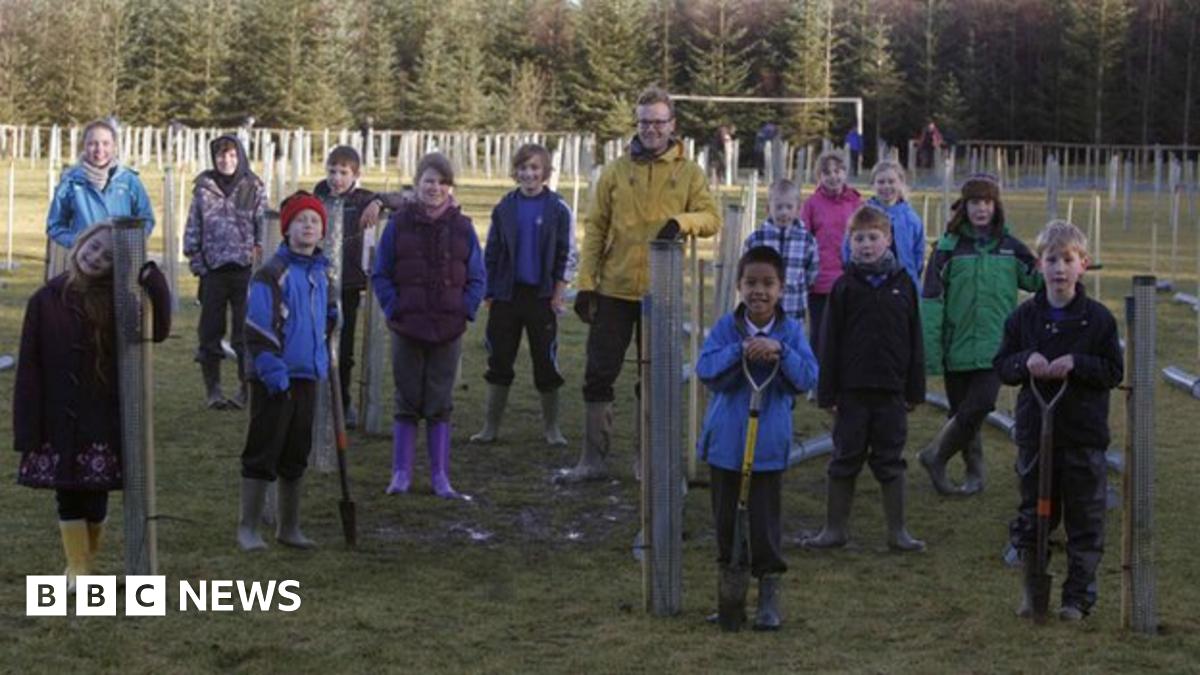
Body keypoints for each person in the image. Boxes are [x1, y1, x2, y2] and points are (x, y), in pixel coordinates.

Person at [561, 85, 721, 483]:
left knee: (653, 377)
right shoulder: (616, 171)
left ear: (672, 125)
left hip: (660, 291)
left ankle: (645, 461)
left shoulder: (689, 173)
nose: (651, 129)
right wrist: (586, 283)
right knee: (598, 373)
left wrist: (680, 223)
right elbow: (596, 227)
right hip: (614, 289)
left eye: (658, 122)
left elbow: (711, 217)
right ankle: (593, 459)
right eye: (644, 121)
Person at [14, 223, 171, 588]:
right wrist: (27, 426)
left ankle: (88, 560)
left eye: (107, 257)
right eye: (94, 247)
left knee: (96, 492)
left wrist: (152, 279)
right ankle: (77, 568)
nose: (95, 257)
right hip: (57, 413)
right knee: (67, 490)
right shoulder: (44, 299)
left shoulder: (120, 300)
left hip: (101, 412)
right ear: (81, 242)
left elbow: (157, 330)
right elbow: (29, 365)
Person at [994, 220, 1122, 621]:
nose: (1059, 269)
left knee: (1085, 518)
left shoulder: (1098, 320)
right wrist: (1024, 361)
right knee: (1035, 513)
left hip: (1082, 434)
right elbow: (1003, 365)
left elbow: (1112, 372)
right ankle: (1034, 590)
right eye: (1052, 260)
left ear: (1083, 264)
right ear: (1038, 265)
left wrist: (1077, 364)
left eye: (1068, 260)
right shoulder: (1023, 319)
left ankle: (1077, 597)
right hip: (1037, 434)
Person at [697, 245, 818, 631]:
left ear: (782, 288)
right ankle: (729, 597)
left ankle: (768, 599)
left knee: (764, 525)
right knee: (726, 522)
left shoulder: (790, 332)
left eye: (768, 284)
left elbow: (807, 378)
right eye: (751, 283)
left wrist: (780, 351)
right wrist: (741, 351)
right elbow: (707, 369)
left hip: (766, 449)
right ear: (738, 286)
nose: (759, 292)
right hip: (726, 448)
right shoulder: (725, 328)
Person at [803, 206, 925, 552]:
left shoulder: (904, 285)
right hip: (852, 392)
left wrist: (914, 388)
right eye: (859, 238)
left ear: (888, 239)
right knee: (845, 456)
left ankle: (897, 532)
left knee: (890, 459)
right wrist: (827, 393)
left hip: (892, 392)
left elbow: (915, 338)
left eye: (873, 237)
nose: (867, 245)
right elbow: (829, 343)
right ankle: (834, 529)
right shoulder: (843, 288)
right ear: (849, 242)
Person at [919, 173, 1041, 496]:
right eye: (975, 202)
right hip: (955, 347)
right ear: (965, 206)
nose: (981, 208)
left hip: (995, 348)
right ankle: (974, 472)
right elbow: (930, 303)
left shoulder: (1011, 248)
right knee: (962, 414)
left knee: (981, 404)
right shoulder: (946, 250)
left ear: (996, 206)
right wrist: (931, 352)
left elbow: (1035, 280)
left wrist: (1068, 266)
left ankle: (935, 456)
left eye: (987, 202)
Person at [372, 153, 485, 499]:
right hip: (407, 326)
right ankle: (401, 473)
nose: (434, 188)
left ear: (450, 186)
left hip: (448, 328)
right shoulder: (398, 225)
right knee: (406, 399)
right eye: (428, 181)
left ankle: (440, 476)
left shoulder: (463, 228)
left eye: (441, 181)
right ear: (417, 183)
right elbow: (381, 273)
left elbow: (478, 275)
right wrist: (395, 307)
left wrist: (464, 310)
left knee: (440, 402)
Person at [237, 192, 335, 551]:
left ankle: (288, 526)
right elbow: (258, 329)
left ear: (322, 231)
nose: (308, 226)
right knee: (264, 448)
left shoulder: (323, 273)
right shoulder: (271, 274)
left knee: (296, 451)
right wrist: (272, 372)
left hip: (308, 375)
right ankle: (248, 527)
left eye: (314, 221)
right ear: (287, 228)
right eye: (300, 220)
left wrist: (329, 333)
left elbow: (327, 316)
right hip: (275, 378)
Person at [472, 143, 572, 446]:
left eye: (534, 168)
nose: (529, 174)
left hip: (541, 297)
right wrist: (489, 291)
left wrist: (559, 293)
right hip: (506, 296)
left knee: (545, 360)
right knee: (499, 359)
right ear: (515, 171)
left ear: (545, 172)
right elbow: (493, 251)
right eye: (523, 168)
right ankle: (490, 427)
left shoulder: (557, 208)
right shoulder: (504, 207)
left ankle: (552, 428)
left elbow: (566, 254)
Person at [313, 145, 407, 428]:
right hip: (319, 282)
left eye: (343, 172)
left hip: (350, 285)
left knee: (343, 349)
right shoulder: (319, 193)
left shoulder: (364, 198)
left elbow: (404, 200)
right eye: (332, 171)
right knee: (316, 343)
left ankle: (343, 402)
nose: (336, 178)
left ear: (356, 174)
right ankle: (318, 401)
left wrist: (378, 201)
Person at [183, 135, 266, 410]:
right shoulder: (203, 188)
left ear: (240, 156)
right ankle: (214, 390)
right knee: (209, 331)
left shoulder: (253, 186)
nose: (226, 161)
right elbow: (193, 225)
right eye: (221, 156)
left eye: (231, 155)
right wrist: (197, 262)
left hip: (245, 272)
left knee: (245, 332)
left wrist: (260, 258)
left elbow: (262, 227)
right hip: (213, 271)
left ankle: (245, 388)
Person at [46, 119, 155, 275]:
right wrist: (79, 243)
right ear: (84, 146)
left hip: (122, 265)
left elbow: (146, 219)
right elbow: (54, 226)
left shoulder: (130, 181)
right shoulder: (70, 183)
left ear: (114, 146)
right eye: (93, 143)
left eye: (105, 143)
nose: (99, 149)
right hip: (84, 265)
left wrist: (130, 243)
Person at [801, 149, 861, 353]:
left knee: (847, 332)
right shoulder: (811, 205)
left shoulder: (855, 202)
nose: (833, 176)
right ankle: (818, 379)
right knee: (820, 334)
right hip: (820, 282)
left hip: (850, 278)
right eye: (827, 173)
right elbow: (804, 239)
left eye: (838, 171)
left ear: (845, 173)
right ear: (819, 177)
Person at [741, 179, 819, 336]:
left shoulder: (806, 240)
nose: (784, 212)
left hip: (793, 310)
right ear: (769, 208)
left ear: (798, 209)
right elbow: (745, 271)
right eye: (779, 207)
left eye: (789, 207)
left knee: (790, 353)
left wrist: (799, 286)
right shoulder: (757, 239)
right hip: (762, 311)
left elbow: (812, 272)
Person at [841, 160, 924, 287]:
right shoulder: (861, 216)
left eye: (891, 182)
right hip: (867, 284)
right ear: (873, 185)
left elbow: (918, 256)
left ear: (901, 183)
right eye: (881, 182)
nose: (886, 186)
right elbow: (847, 249)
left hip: (904, 284)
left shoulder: (912, 219)